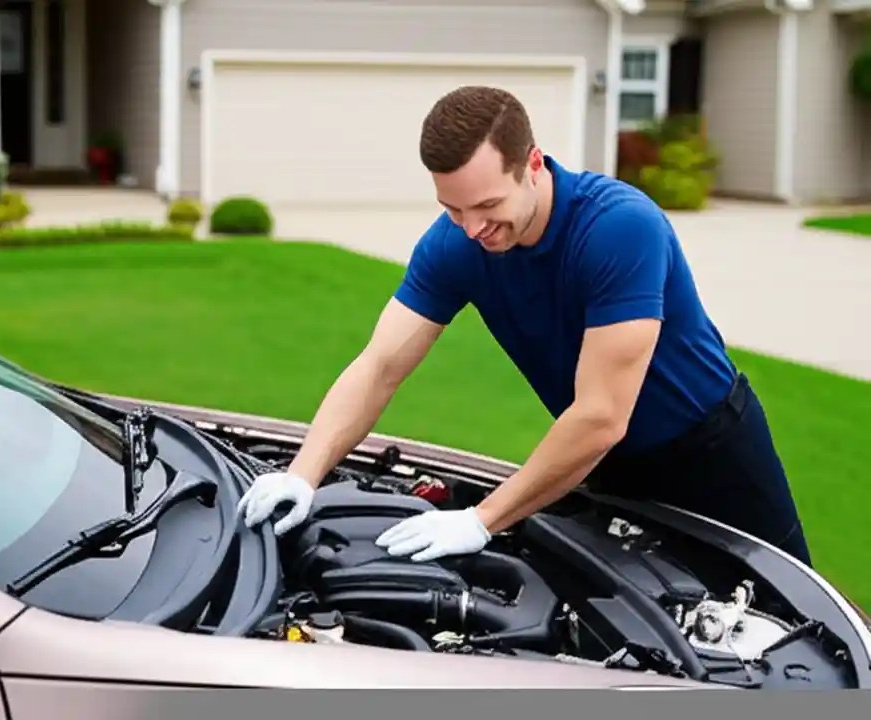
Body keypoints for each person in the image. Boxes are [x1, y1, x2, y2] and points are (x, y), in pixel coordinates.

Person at [235, 85, 813, 567]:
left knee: (797, 634)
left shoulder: (619, 230)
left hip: (712, 455)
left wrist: (482, 519)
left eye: (486, 205)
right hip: (603, 465)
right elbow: (379, 366)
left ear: (533, 164)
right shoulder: (455, 245)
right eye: (452, 208)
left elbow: (600, 415)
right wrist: (303, 475)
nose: (471, 228)